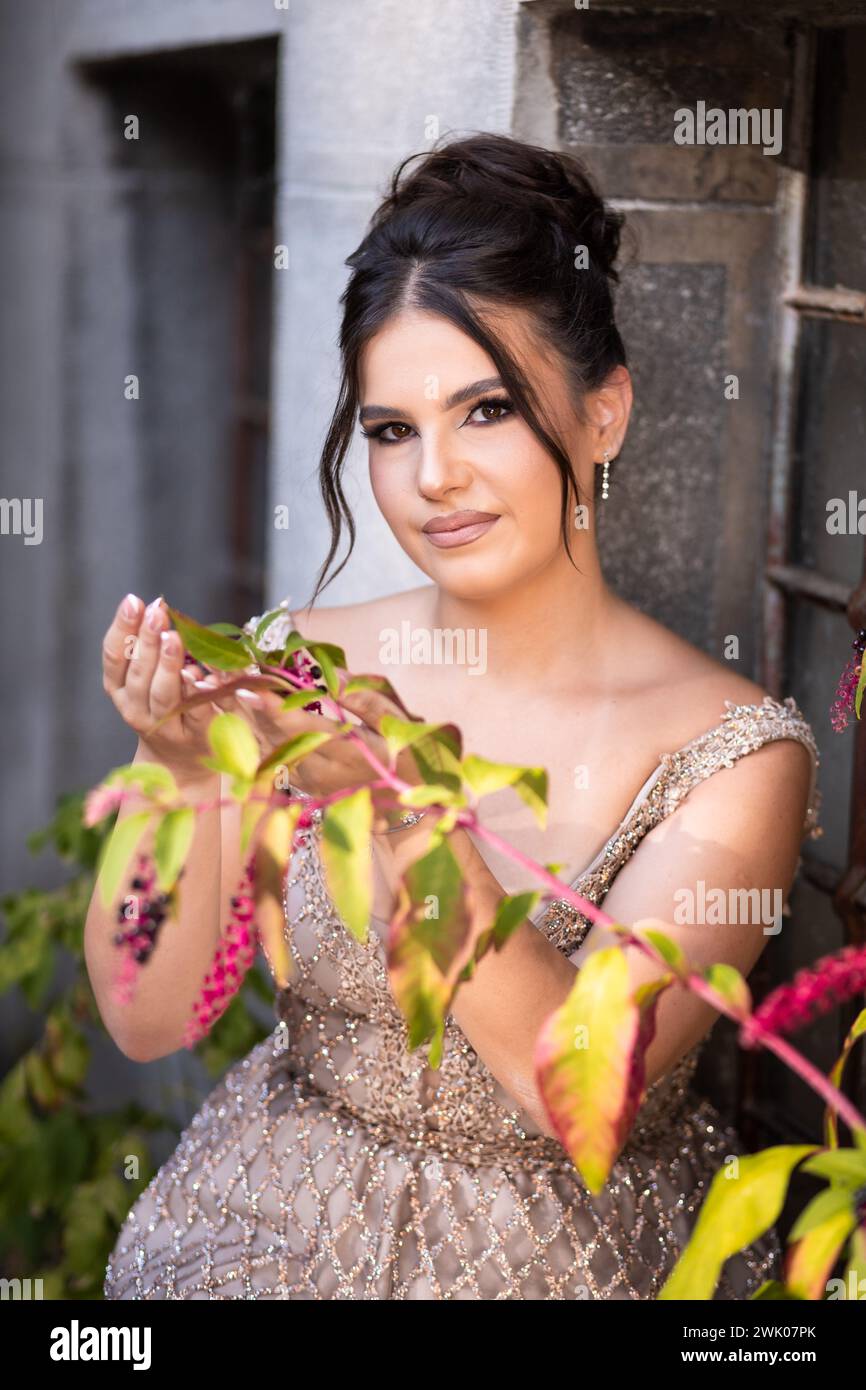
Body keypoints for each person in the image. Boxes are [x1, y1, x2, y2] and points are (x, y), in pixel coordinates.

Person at [94, 133, 822, 1300]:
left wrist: (393, 809)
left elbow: (576, 1091)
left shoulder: (731, 754)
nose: (432, 475)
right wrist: (175, 767)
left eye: (485, 410)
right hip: (261, 1232)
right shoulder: (298, 665)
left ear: (602, 413)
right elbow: (146, 1016)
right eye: (390, 430)